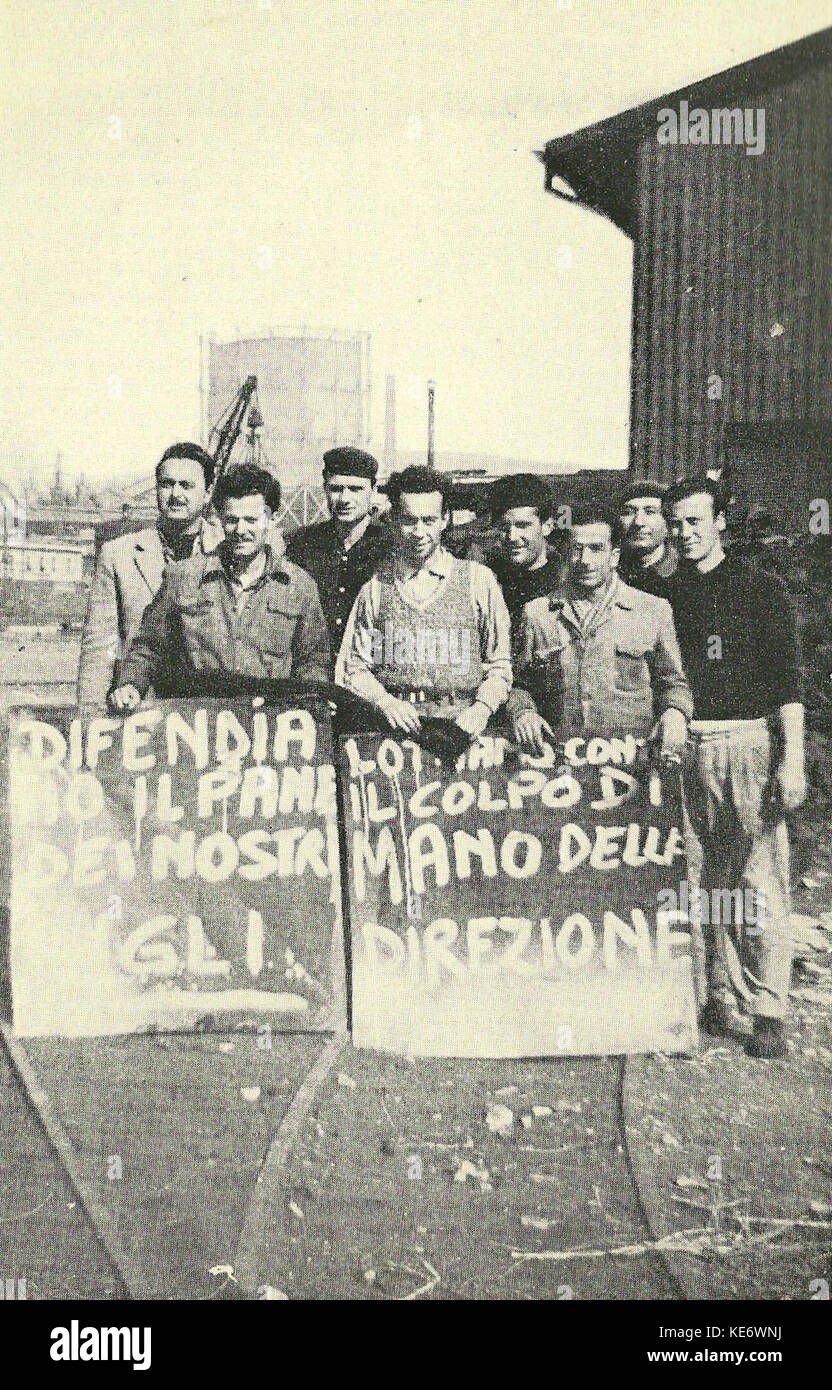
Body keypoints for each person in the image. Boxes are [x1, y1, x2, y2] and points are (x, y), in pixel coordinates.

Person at [665, 477, 805, 1060]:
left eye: (696, 521)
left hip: (747, 741)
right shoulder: (666, 593)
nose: (685, 532)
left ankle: (769, 1006)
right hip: (686, 745)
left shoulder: (759, 589)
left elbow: (788, 685)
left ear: (720, 521)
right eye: (677, 523)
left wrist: (791, 760)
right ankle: (721, 994)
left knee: (756, 877)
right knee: (702, 880)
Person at [109, 463, 329, 709]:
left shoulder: (299, 587)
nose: (240, 531)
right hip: (197, 726)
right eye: (232, 520)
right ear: (220, 519)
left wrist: (311, 703)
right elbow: (148, 648)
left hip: (269, 729)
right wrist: (130, 685)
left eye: (251, 520)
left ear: (272, 519)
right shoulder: (183, 577)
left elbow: (313, 662)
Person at [335, 464, 512, 740]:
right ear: (394, 519)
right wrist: (385, 702)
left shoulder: (478, 581)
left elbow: (500, 664)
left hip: (463, 732)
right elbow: (353, 668)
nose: (419, 532)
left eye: (428, 520)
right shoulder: (377, 588)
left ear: (445, 519)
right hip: (393, 737)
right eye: (409, 520)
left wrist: (482, 708)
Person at [508, 503, 692, 758]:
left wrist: (675, 713)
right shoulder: (537, 614)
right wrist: (523, 712)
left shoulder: (652, 610)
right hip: (559, 759)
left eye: (596, 549)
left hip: (629, 758)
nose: (585, 561)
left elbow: (674, 684)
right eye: (577, 550)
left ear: (614, 556)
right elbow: (518, 684)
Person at [77, 442, 224, 710]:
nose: (175, 494)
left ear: (208, 493)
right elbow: (99, 650)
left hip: (212, 715)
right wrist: (90, 719)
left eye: (186, 485)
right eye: (167, 484)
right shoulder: (118, 554)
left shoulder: (229, 550)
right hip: (140, 713)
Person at [286, 446, 389, 661]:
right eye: (336, 489)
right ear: (324, 488)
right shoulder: (302, 543)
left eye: (355, 489)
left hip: (373, 663)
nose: (344, 498)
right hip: (315, 664)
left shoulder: (389, 546)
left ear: (373, 489)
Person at [486, 473, 564, 631]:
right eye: (503, 527)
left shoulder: (564, 584)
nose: (512, 537)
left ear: (547, 526)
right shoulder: (486, 581)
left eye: (522, 525)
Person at [616, 481, 678, 595]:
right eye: (628, 512)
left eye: (650, 512)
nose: (638, 522)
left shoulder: (685, 573)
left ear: (668, 522)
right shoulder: (610, 570)